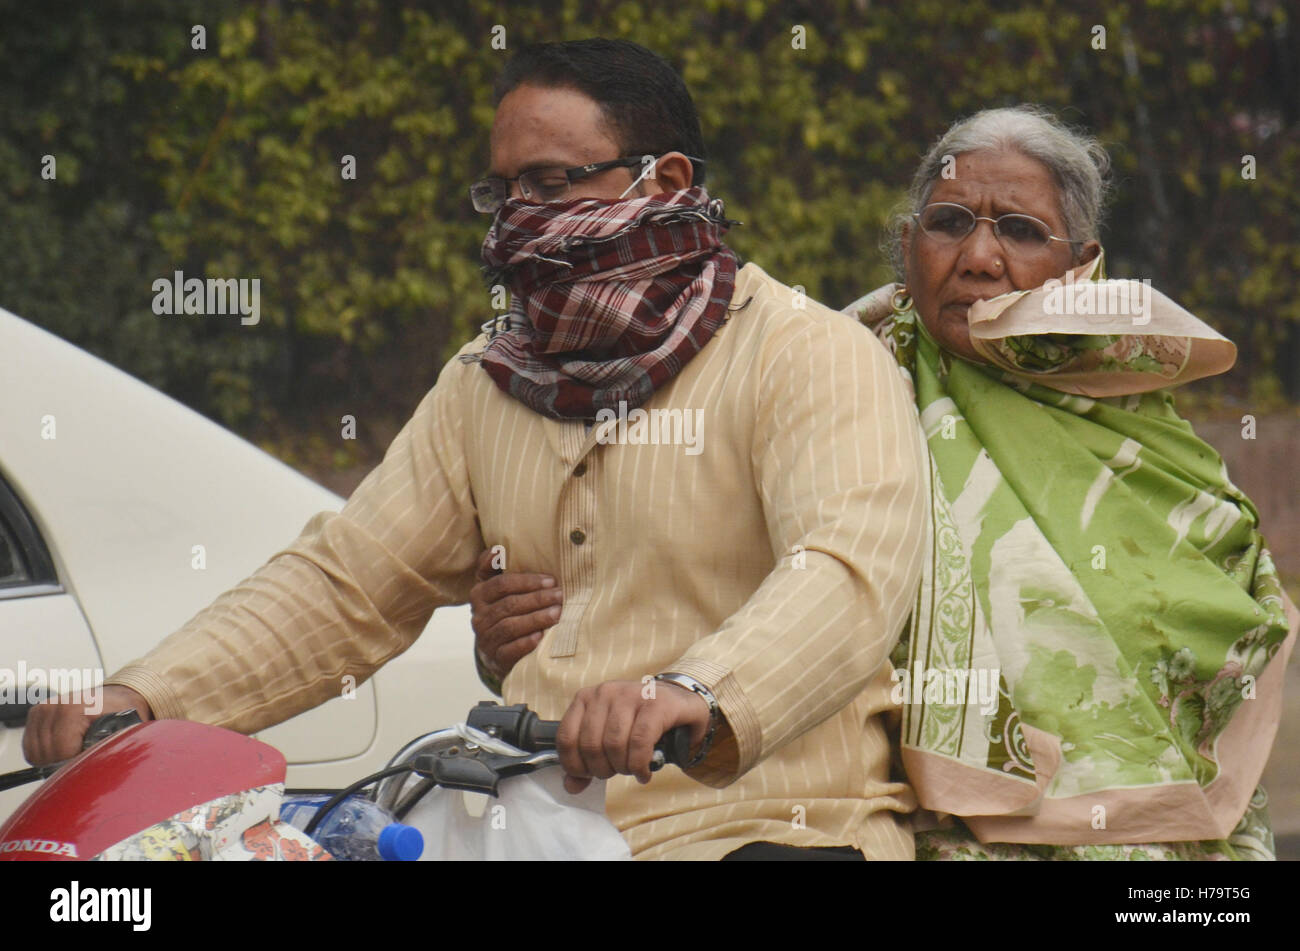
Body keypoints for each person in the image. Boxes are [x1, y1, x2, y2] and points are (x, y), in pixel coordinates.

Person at [24, 39, 929, 861]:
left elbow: (846, 572)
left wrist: (692, 690)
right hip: (516, 828)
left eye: (550, 186)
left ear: (662, 183)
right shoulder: (487, 378)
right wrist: (145, 701)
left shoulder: (806, 353)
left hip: (757, 829)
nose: (516, 223)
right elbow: (349, 583)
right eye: (502, 193)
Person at [471, 104, 1299, 860]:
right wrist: (524, 629)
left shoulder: (1137, 423)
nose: (979, 257)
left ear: (1081, 263)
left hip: (1164, 846)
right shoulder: (830, 381)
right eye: (949, 224)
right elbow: (704, 567)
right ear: (907, 245)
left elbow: (1225, 607)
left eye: (1019, 230)